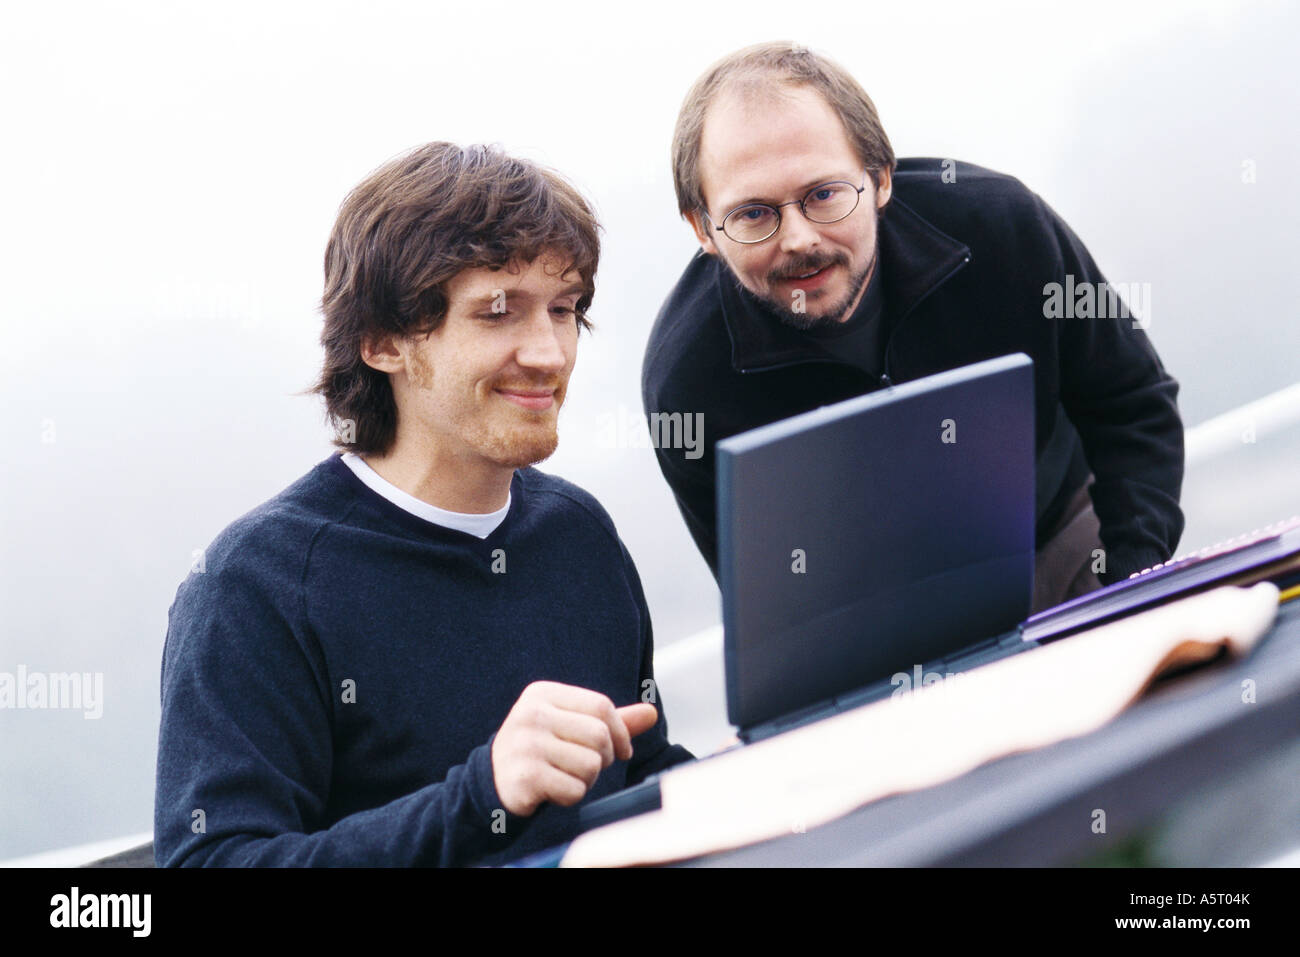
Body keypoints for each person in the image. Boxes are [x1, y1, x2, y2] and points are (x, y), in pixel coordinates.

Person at [155, 142, 694, 867]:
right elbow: (211, 860)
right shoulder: (254, 587)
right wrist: (481, 796)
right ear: (382, 342)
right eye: (498, 312)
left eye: (564, 309)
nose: (548, 353)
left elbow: (642, 770)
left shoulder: (580, 533)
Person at [643, 41, 1185, 612]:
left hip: (1066, 538)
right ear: (702, 229)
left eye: (824, 195)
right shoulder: (685, 382)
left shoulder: (1004, 227)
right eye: (753, 213)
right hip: (876, 616)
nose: (799, 239)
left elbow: (1132, 404)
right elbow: (771, 602)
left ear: (880, 178)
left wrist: (1127, 587)